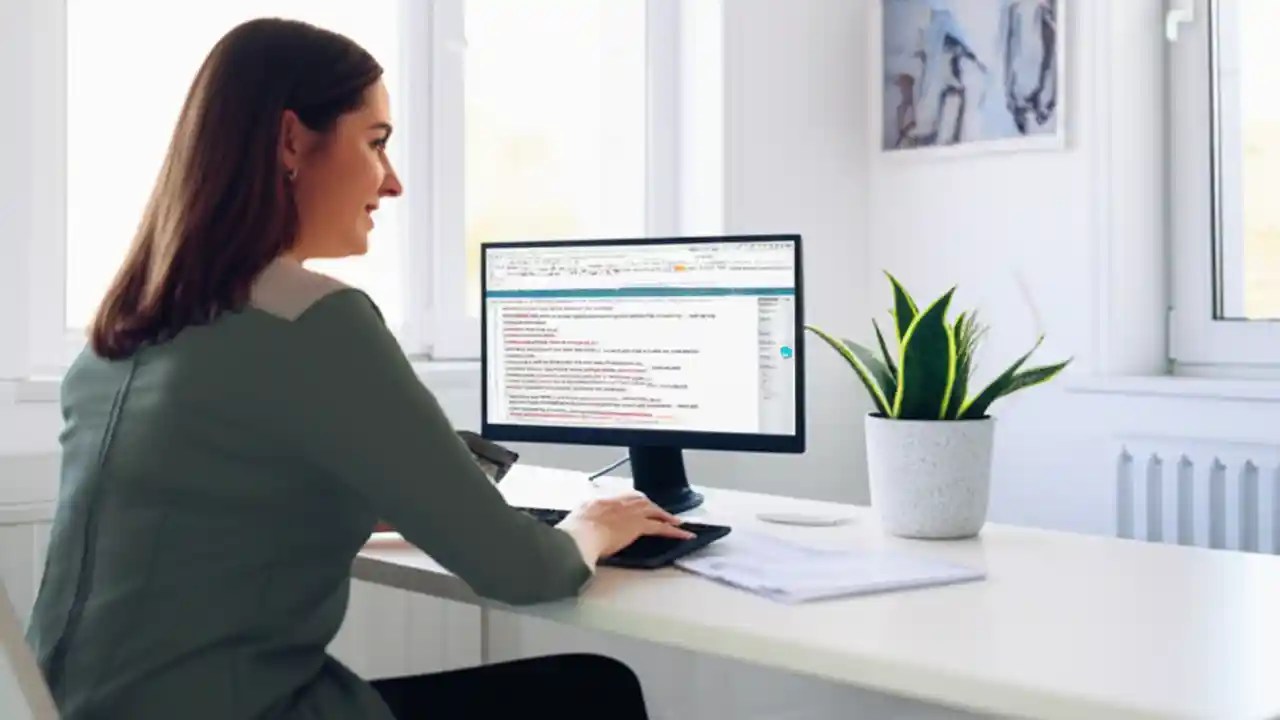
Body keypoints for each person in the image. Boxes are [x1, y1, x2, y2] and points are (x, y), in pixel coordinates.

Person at [24, 16, 693, 720]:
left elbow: (200, 505)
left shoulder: (122, 331)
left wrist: (354, 501)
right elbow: (522, 571)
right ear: (290, 141)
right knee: (592, 692)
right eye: (376, 144)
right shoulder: (315, 320)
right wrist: (593, 523)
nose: (394, 182)